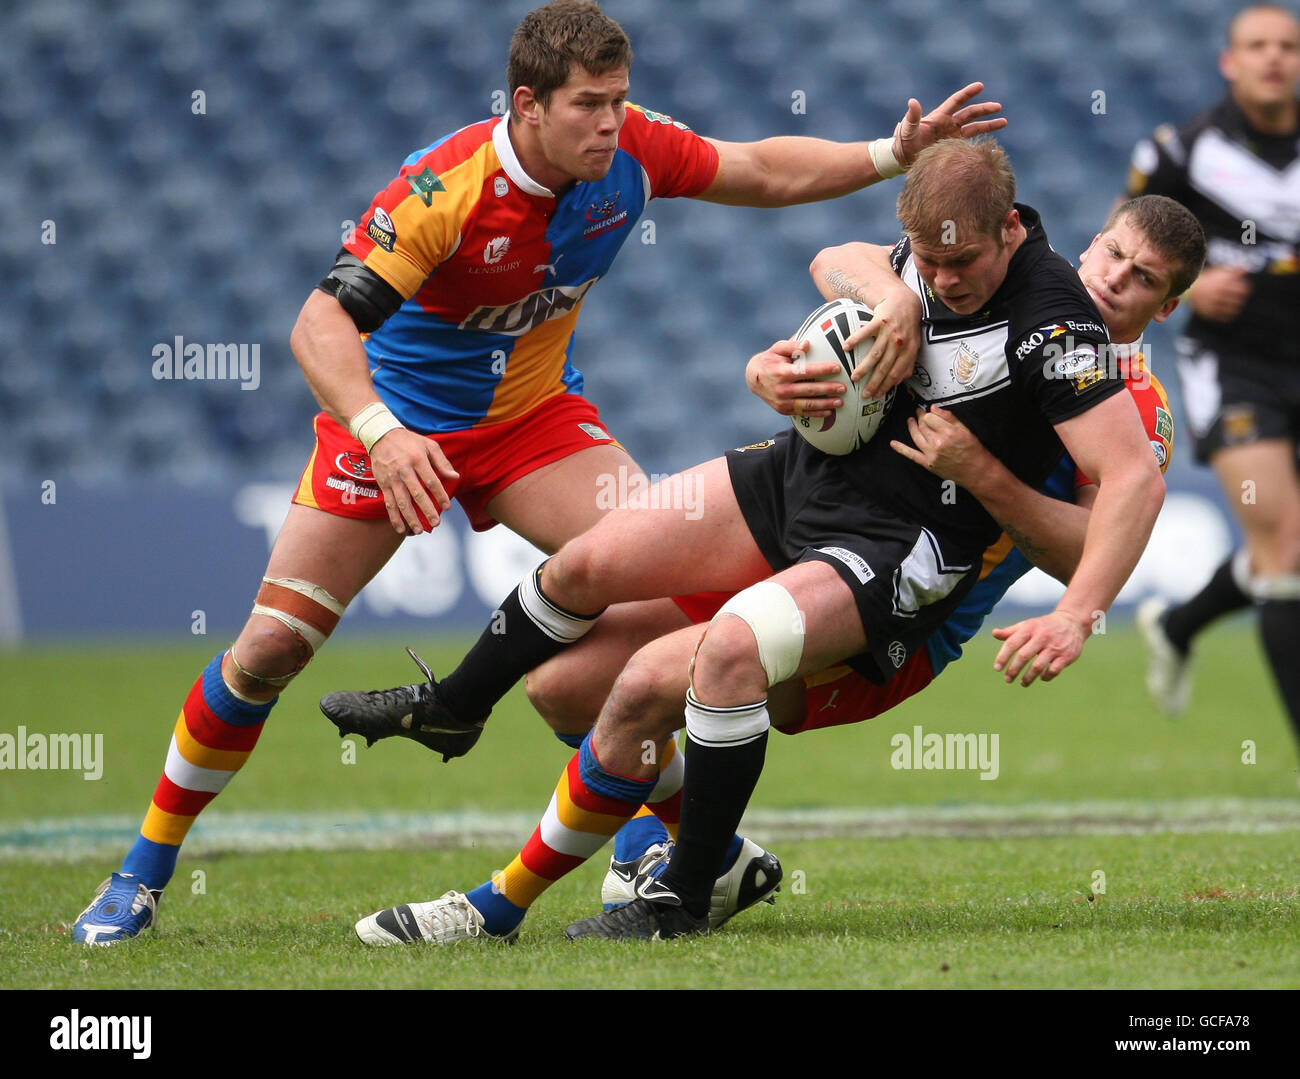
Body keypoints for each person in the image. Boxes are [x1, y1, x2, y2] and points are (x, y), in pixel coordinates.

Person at [69, 0, 1007, 945]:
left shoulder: (633, 152)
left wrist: (893, 153)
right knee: (268, 651)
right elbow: (319, 326)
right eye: (589, 105)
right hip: (390, 427)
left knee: (664, 603)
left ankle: (672, 846)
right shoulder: (444, 191)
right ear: (527, 105)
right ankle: (140, 875)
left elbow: (759, 168)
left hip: (534, 423)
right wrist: (381, 433)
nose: (611, 122)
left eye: (620, 101)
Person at [340, 143, 1172, 945]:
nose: (944, 282)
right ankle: (456, 710)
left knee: (678, 674)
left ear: (1013, 233)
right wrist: (797, 356)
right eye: (930, 262)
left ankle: (551, 902)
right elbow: (837, 257)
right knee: (575, 618)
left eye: (963, 267)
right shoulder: (934, 260)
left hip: (895, 551)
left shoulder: (1061, 334)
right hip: (801, 484)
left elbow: (1131, 484)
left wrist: (1073, 610)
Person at [1129, 4, 1300, 744]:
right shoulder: (1183, 151)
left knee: (1286, 544)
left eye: (1289, 46)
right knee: (1287, 555)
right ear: (1230, 61)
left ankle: (1179, 621)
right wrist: (1191, 285)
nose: (1274, 58)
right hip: (1236, 369)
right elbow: (1124, 246)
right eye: (1258, 46)